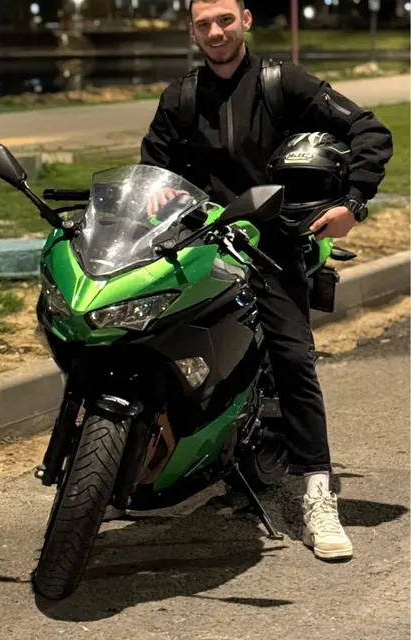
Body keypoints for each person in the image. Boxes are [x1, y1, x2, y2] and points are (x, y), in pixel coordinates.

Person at [140, 0, 393, 561]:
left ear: (246, 21)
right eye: (204, 24)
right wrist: (156, 192)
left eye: (224, 20)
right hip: (202, 241)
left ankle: (317, 493)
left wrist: (354, 201)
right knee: (151, 336)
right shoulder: (181, 96)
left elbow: (369, 130)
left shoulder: (284, 82)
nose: (215, 31)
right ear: (192, 31)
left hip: (273, 242)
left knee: (294, 359)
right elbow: (152, 167)